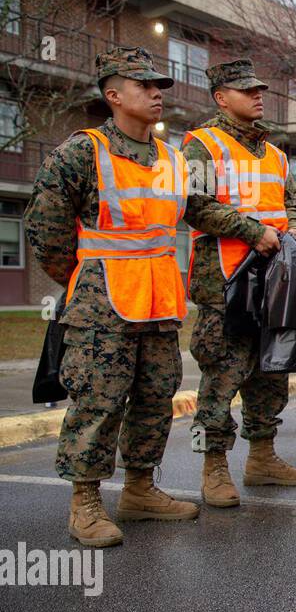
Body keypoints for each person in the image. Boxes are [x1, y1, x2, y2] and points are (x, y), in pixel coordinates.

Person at [25, 47, 205, 546]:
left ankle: (141, 488)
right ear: (113, 94)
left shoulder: (171, 157)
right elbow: (44, 228)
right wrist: (82, 278)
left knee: (155, 397)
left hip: (160, 301)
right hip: (103, 301)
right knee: (99, 400)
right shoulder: (83, 152)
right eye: (144, 85)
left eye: (159, 87)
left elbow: (196, 209)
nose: (155, 94)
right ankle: (85, 501)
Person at [183, 59, 296, 507]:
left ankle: (262, 457)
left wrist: (295, 229)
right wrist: (252, 231)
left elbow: (292, 204)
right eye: (246, 90)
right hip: (226, 283)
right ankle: (213, 467)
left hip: (275, 282)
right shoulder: (202, 144)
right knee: (222, 377)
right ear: (221, 97)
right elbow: (194, 205)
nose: (258, 95)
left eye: (260, 89)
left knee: (270, 373)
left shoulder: (275, 154)